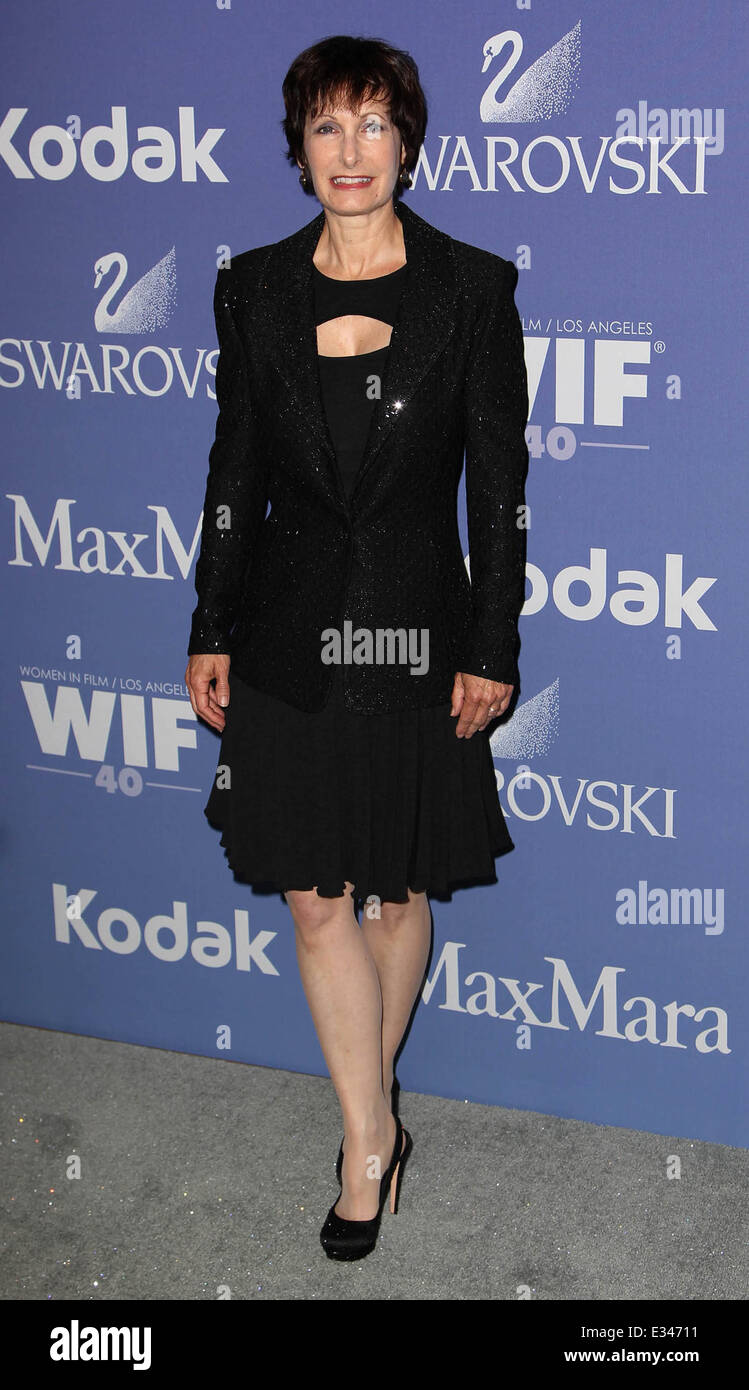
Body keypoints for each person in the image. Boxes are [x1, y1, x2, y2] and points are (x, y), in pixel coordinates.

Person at [185, 34, 530, 1261]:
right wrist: (208, 620)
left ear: (408, 142)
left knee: (397, 887)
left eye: (373, 125)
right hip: (286, 635)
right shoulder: (255, 288)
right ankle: (369, 1137)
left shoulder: (471, 289)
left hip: (416, 632)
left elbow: (497, 488)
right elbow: (234, 468)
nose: (350, 152)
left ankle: (363, 1121)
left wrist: (491, 642)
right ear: (298, 150)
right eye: (326, 128)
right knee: (313, 898)